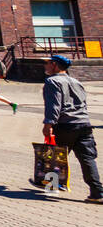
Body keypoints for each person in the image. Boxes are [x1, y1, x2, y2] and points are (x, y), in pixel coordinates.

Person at [35, 55, 102, 203]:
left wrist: (48, 124)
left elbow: (54, 106)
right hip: (84, 124)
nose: (44, 66)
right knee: (87, 159)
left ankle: (52, 185)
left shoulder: (52, 82)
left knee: (54, 157)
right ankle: (97, 192)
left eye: (47, 63)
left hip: (65, 125)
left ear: (55, 65)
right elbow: (83, 103)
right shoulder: (76, 82)